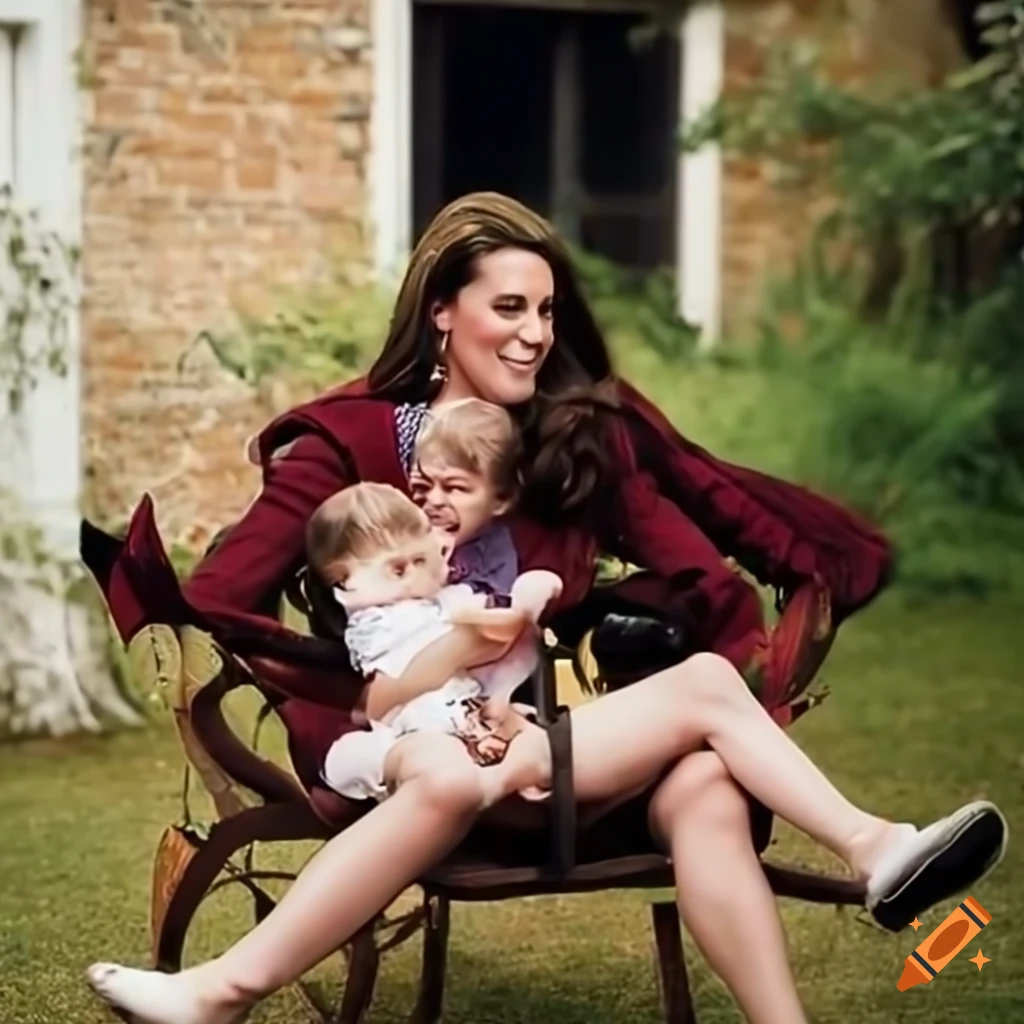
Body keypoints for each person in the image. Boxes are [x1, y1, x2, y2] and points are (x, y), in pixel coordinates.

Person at [80, 192, 1007, 1024]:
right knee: (705, 696)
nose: (534, 334)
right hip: (429, 754)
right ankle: (875, 844)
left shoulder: (568, 444)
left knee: (707, 784)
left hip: (548, 745)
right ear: (442, 312)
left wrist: (648, 622)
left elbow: (703, 567)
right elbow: (220, 605)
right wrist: (371, 692)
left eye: (548, 311)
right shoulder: (351, 442)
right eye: (509, 308)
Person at [309, 478, 558, 806]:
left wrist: (528, 596)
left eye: (421, 559)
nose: (415, 574)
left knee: (548, 752)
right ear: (345, 581)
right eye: (397, 569)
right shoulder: (374, 624)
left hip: (470, 709)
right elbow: (415, 667)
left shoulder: (437, 602)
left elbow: (485, 624)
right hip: (423, 730)